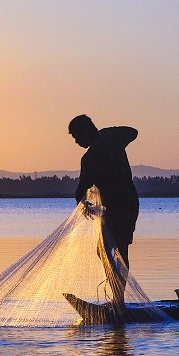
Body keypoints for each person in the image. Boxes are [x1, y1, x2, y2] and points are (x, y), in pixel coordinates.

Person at [69, 114, 139, 309]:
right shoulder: (113, 138)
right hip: (126, 203)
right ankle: (118, 299)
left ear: (86, 132)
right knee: (107, 251)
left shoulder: (90, 157)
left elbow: (80, 190)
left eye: (77, 137)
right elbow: (132, 132)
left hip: (119, 206)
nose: (76, 142)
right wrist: (107, 133)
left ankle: (118, 301)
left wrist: (83, 204)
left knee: (116, 250)